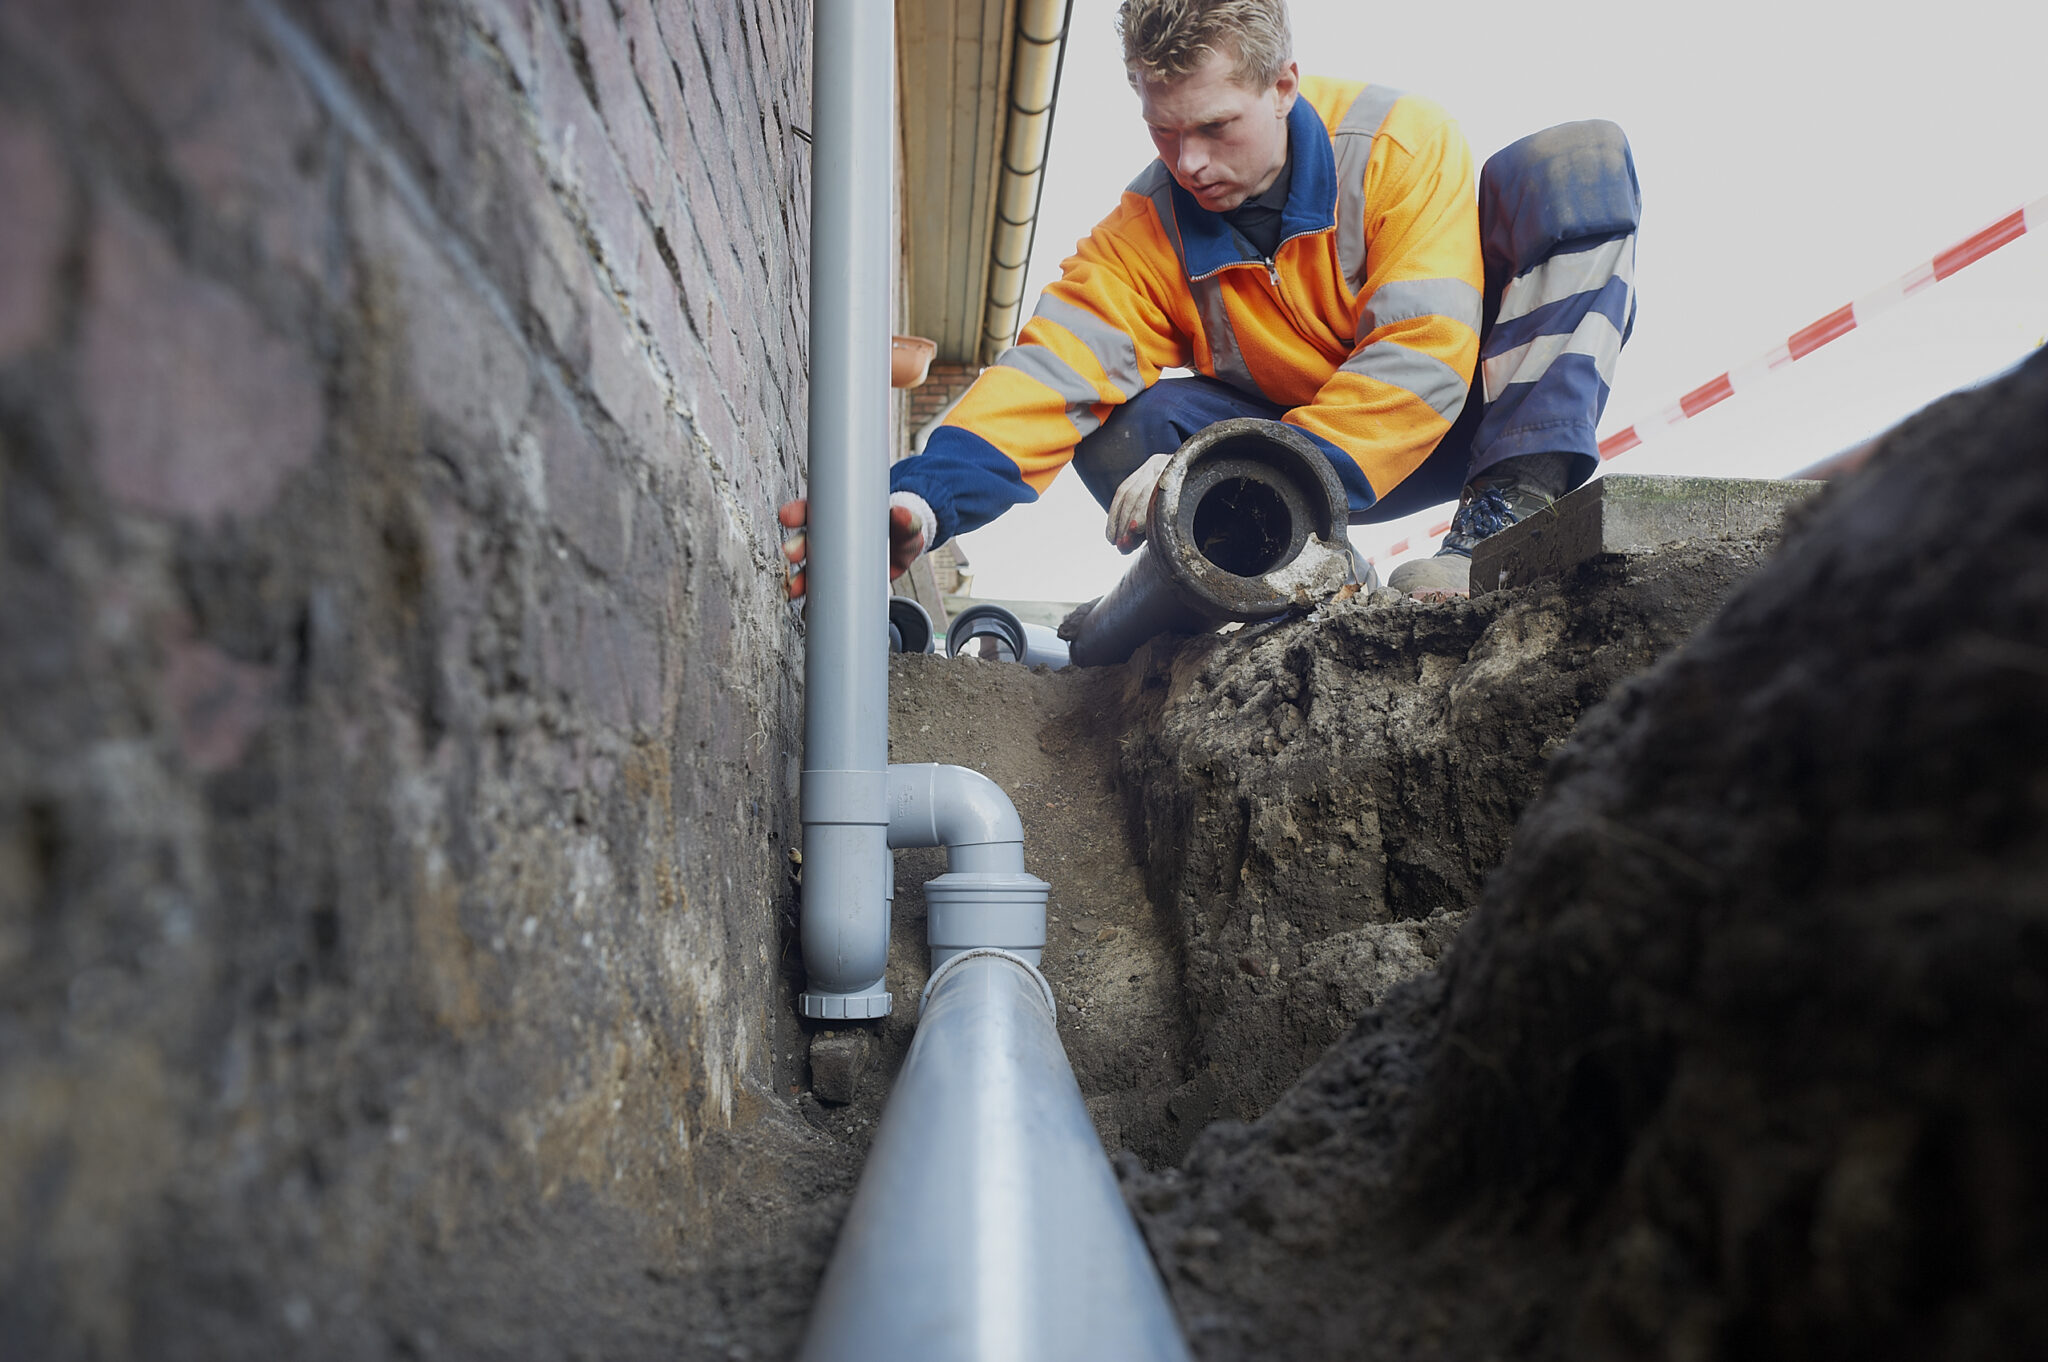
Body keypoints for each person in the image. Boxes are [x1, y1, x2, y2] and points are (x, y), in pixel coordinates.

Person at [782, 0, 1640, 602]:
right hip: (1305, 466)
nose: (1187, 162)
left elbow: (1423, 357)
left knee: (1570, 163)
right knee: (1123, 436)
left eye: (1216, 126)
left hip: (1470, 417)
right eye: (1163, 128)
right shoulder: (1145, 231)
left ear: (1283, 85)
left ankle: (1501, 524)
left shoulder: (1397, 146)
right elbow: (1043, 379)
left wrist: (1245, 460)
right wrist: (917, 502)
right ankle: (1306, 586)